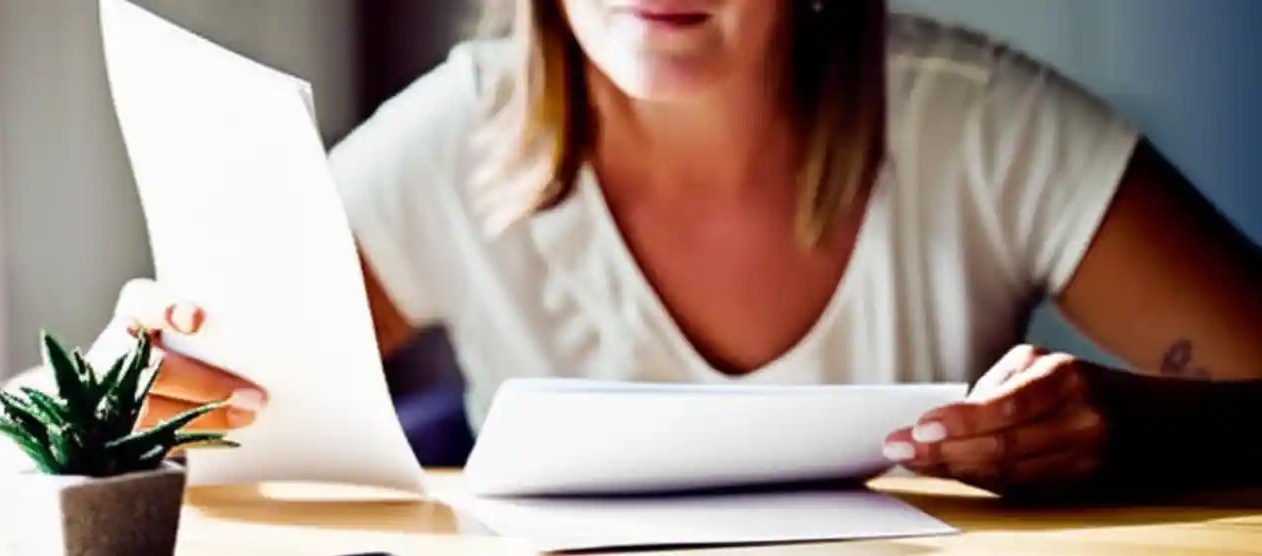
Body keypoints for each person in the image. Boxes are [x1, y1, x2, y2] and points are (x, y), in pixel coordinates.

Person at [86, 1, 1262, 498]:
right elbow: (156, 402)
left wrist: (1140, 433)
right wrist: (137, 399)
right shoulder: (455, 138)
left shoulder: (981, 123)